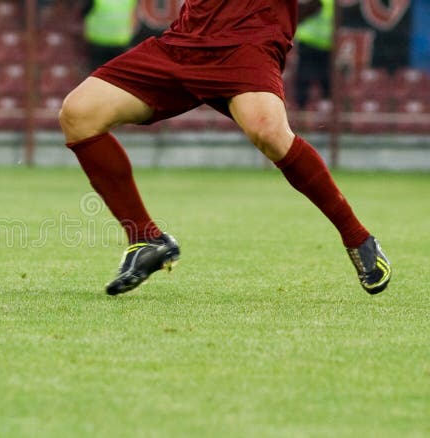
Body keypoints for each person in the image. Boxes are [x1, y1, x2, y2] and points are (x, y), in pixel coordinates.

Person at [59, 0, 391, 296]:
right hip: (185, 41)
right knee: (78, 113)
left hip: (249, 42)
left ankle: (357, 237)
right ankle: (146, 239)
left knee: (269, 131)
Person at [295, 0, 333, 108]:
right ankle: (304, 105)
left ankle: (302, 105)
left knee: (307, 75)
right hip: (317, 42)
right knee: (312, 75)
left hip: (313, 41)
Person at [82, 0, 139, 72]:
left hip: (98, 41)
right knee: (117, 75)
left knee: (97, 74)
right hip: (120, 42)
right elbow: (134, 20)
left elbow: (84, 16)